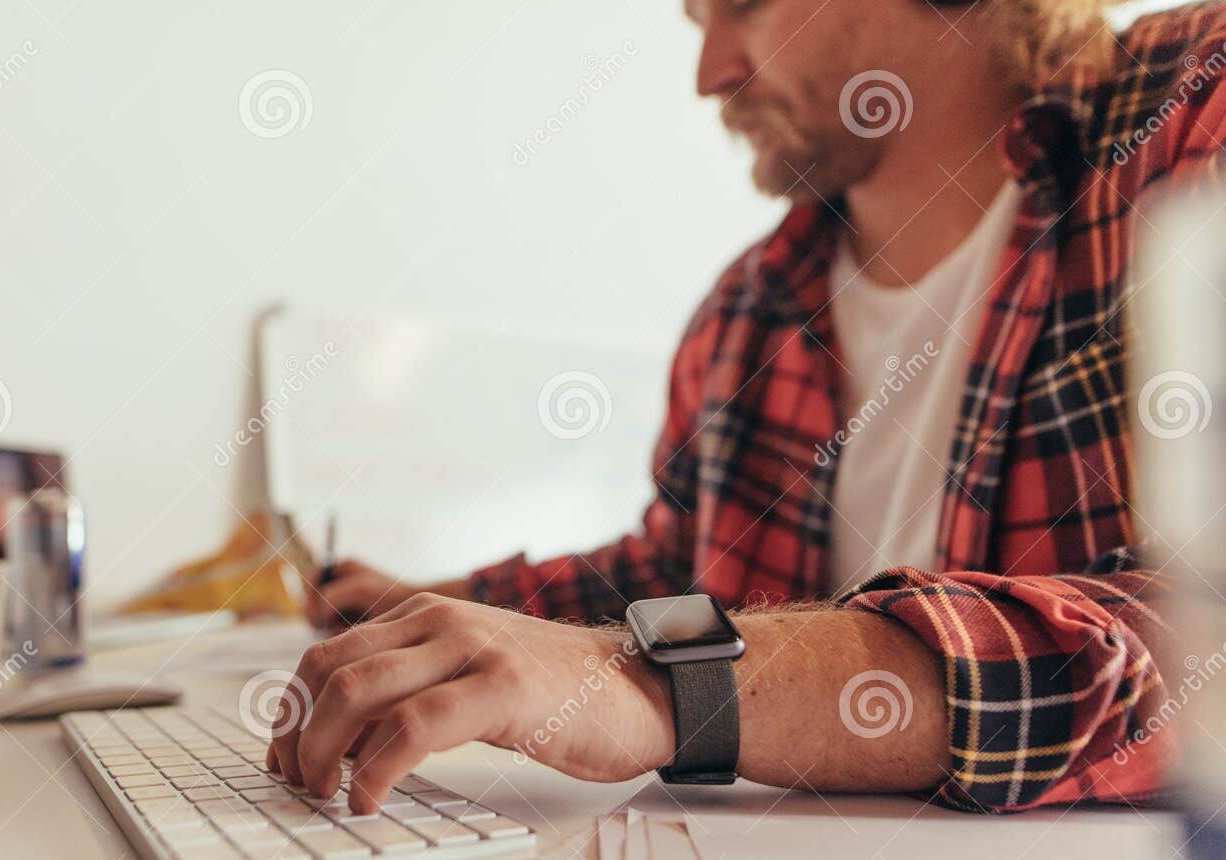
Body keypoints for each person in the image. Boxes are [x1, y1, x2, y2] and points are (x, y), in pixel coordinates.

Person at [276, 0, 1226, 816]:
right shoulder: (748, 310)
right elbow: (674, 573)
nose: (710, 74)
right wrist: (446, 611)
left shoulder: (1193, 109)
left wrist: (663, 683)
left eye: (741, 5)